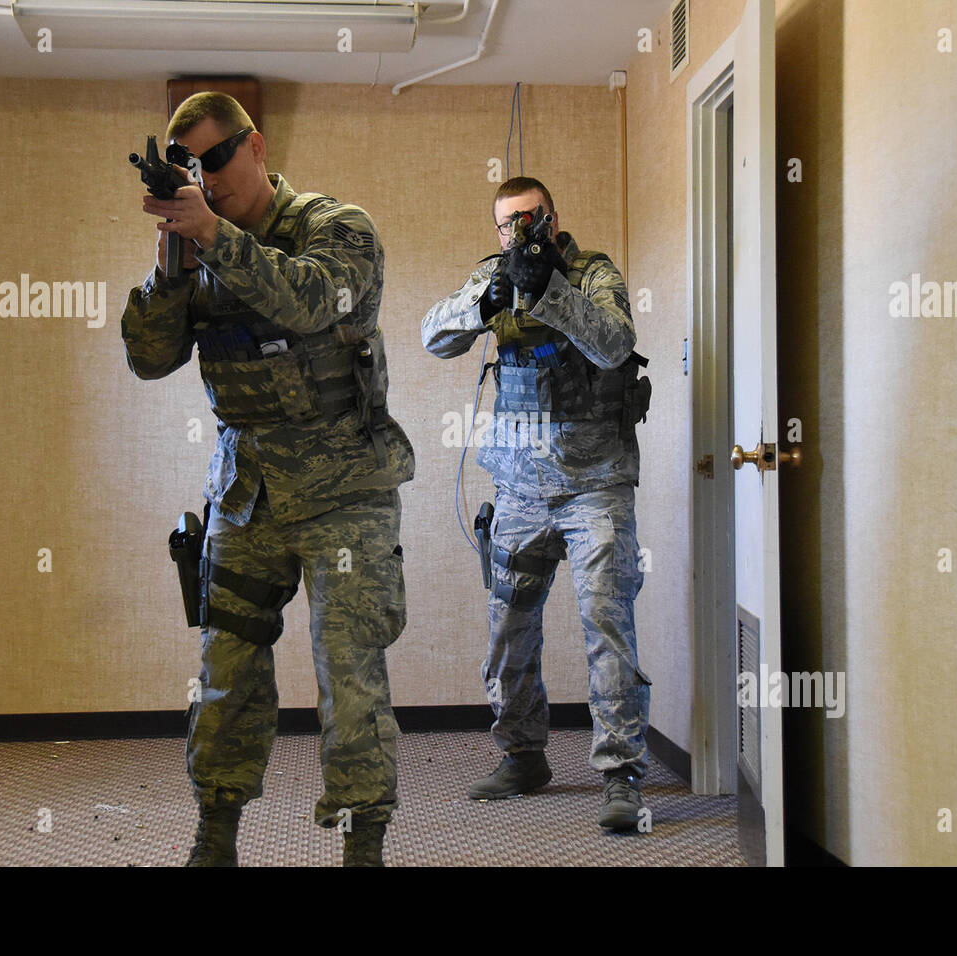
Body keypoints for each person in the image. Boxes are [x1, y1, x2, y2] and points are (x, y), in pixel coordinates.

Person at [121, 92, 414, 866]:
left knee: (347, 671)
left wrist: (214, 235)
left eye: (218, 158)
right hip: (246, 494)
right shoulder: (196, 249)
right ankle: (215, 833)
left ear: (256, 147)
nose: (208, 177)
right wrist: (170, 268)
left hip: (344, 491)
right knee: (226, 674)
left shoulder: (337, 226)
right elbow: (150, 358)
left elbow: (312, 301)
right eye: (194, 167)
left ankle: (364, 842)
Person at [420, 177, 652, 830]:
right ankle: (523, 753)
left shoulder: (591, 273)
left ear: (552, 217)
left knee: (607, 628)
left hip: (594, 487)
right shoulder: (492, 274)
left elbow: (612, 342)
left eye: (530, 219)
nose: (519, 232)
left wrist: (548, 285)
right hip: (519, 488)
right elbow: (433, 336)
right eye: (507, 223)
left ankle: (621, 774)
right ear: (496, 230)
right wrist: (486, 299)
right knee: (508, 630)